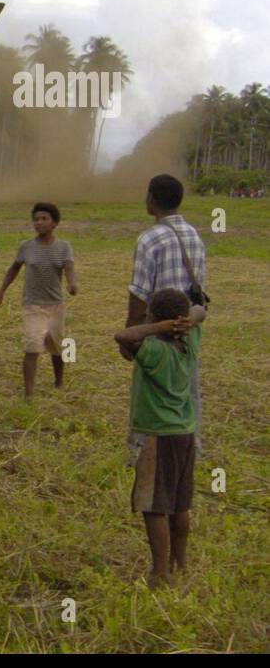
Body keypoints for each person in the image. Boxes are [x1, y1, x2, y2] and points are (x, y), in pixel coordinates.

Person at [113, 289, 205, 588]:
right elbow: (200, 310)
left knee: (154, 507)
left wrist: (158, 327)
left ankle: (160, 572)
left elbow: (123, 336)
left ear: (152, 316)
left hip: (155, 435)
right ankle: (180, 564)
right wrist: (186, 322)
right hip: (185, 432)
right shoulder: (189, 341)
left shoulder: (153, 349)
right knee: (180, 505)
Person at [126, 174, 207, 457]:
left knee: (148, 388)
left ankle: (141, 447)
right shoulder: (194, 235)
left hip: (157, 326)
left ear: (151, 199)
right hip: (188, 325)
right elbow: (200, 287)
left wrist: (131, 331)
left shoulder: (149, 238)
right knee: (188, 384)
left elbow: (139, 292)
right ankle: (190, 444)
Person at [0, 202, 78, 398]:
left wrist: (72, 284)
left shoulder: (63, 247)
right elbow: (14, 268)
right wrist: (1, 291)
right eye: (36, 219)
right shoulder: (26, 247)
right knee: (32, 347)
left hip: (55, 304)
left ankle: (59, 382)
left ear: (54, 223)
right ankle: (29, 394)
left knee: (56, 346)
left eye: (44, 219)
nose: (39, 223)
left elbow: (69, 268)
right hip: (32, 304)